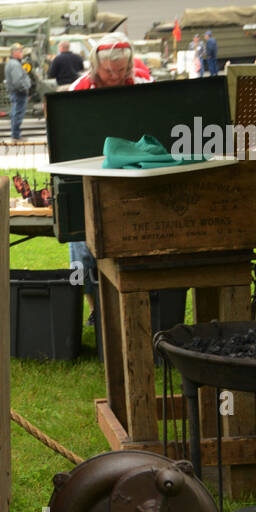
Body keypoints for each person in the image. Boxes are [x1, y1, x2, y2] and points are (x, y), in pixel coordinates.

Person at [66, 34, 152, 324]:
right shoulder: (79, 89)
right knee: (81, 244)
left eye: (121, 70)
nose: (115, 76)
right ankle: (93, 308)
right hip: (87, 175)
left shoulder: (142, 87)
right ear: (95, 66)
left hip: (129, 175)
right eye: (108, 71)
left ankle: (133, 301)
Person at [4, 42, 32, 139]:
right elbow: (17, 82)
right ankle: (16, 135)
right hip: (19, 93)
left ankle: (15, 134)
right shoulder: (15, 65)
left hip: (16, 92)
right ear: (14, 53)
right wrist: (25, 90)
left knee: (15, 113)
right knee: (18, 114)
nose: (22, 53)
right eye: (20, 51)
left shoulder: (12, 63)